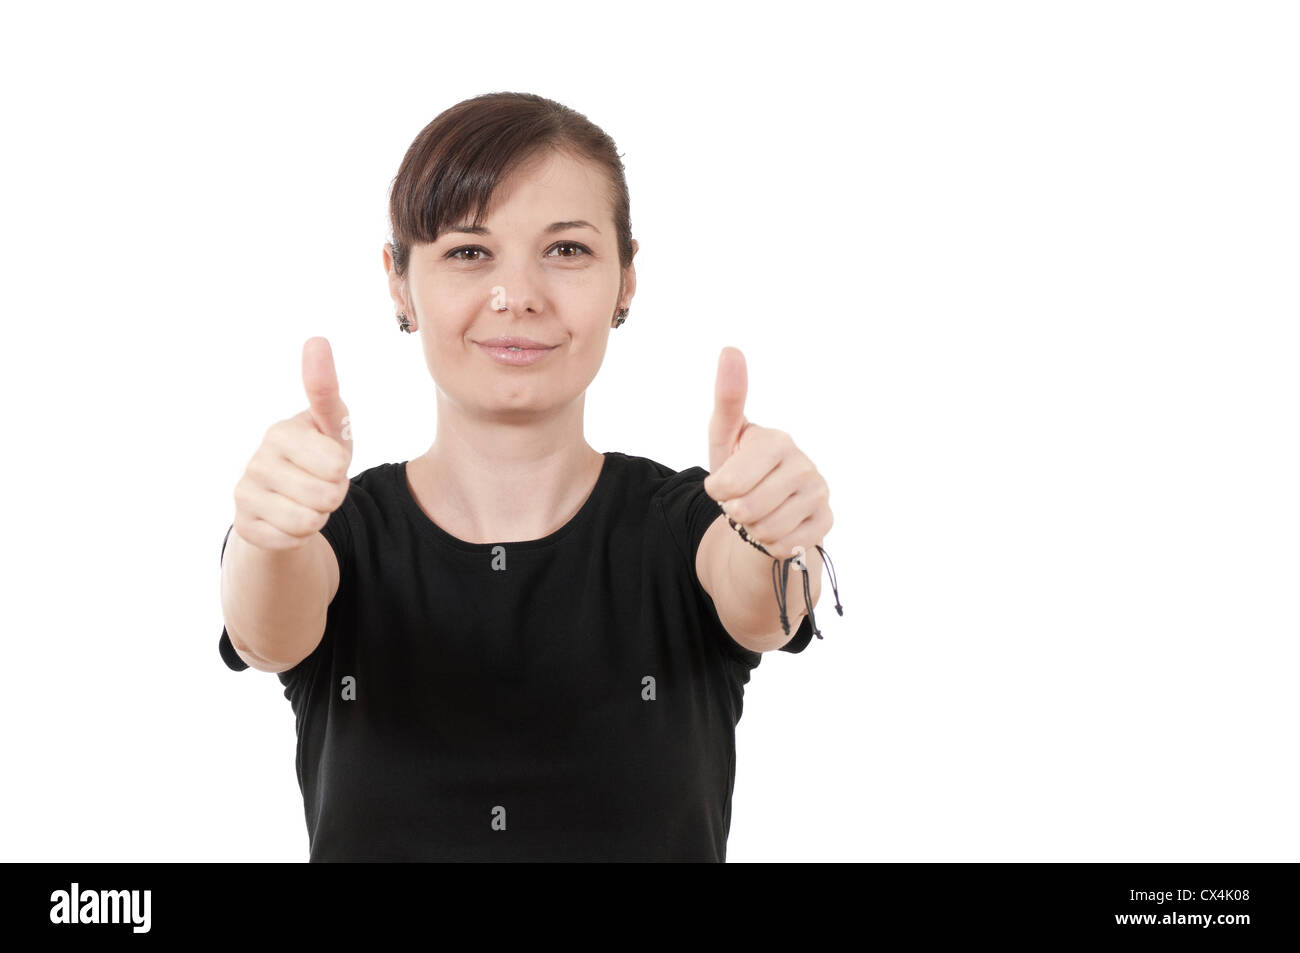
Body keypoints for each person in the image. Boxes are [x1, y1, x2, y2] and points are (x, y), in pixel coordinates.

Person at [216, 91, 841, 862]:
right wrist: (266, 534)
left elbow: (761, 606)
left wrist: (778, 530)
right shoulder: (332, 529)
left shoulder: (686, 524)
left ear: (626, 279)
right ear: (399, 280)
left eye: (567, 250)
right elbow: (266, 631)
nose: (518, 296)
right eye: (469, 252)